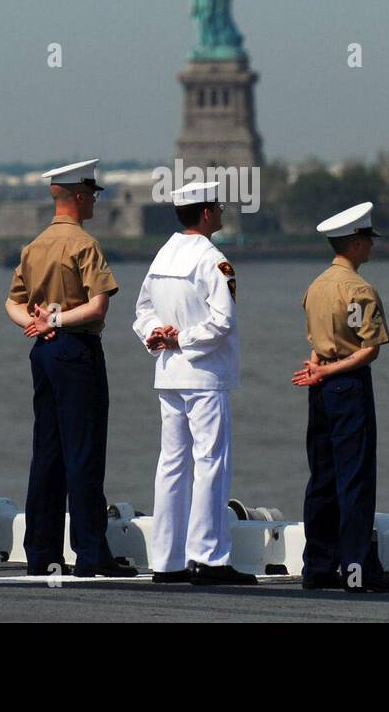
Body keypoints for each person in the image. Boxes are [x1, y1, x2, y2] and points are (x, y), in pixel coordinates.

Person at [4, 159, 134, 578]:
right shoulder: (85, 245)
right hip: (76, 349)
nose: (95, 200)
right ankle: (91, 553)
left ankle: (41, 551)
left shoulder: (34, 246)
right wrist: (57, 321)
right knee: (84, 452)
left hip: (43, 350)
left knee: (47, 450)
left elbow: (12, 302)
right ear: (79, 196)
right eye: (92, 194)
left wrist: (37, 324)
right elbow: (98, 307)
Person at [132, 181, 254, 586]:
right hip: (204, 373)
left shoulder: (163, 254)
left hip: (169, 373)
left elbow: (143, 309)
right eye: (217, 207)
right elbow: (222, 322)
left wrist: (156, 334)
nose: (220, 213)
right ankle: (208, 557)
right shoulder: (213, 260)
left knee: (171, 464)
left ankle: (167, 560)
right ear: (206, 213)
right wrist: (180, 338)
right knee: (211, 463)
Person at [291, 202, 389, 593]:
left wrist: (317, 369)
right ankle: (357, 571)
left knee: (322, 478)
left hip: (320, 389)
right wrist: (330, 371)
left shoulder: (317, 286)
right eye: (368, 239)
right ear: (356, 243)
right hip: (347, 386)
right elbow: (367, 348)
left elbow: (318, 342)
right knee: (354, 479)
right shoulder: (357, 290)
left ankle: (317, 567)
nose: (371, 246)